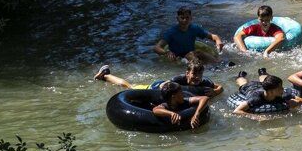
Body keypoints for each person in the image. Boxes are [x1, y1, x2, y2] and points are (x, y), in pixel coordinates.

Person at [93, 53, 223, 100]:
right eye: (194, 74)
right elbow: (166, 87)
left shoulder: (204, 82)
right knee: (129, 87)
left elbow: (220, 87)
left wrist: (215, 91)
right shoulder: (178, 80)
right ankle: (106, 75)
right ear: (187, 73)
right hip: (156, 87)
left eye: (199, 75)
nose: (196, 78)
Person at [154, 6, 224, 63]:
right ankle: (202, 67)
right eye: (182, 18)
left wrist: (218, 41)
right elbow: (157, 47)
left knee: (199, 53)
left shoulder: (194, 28)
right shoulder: (171, 32)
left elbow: (213, 36)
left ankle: (218, 63)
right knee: (191, 55)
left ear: (191, 18)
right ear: (177, 19)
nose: (185, 20)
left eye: (187, 18)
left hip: (191, 53)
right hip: (176, 57)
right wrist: (167, 52)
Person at [232, 72, 302, 119]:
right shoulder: (256, 98)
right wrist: (256, 117)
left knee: (264, 81)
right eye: (280, 88)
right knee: (243, 83)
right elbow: (237, 111)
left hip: (261, 86)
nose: (283, 89)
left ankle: (262, 72)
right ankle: (240, 75)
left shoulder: (282, 95)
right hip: (250, 88)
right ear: (271, 91)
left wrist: (298, 104)